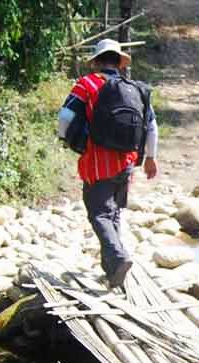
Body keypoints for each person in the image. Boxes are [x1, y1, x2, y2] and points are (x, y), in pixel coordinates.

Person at [56, 39, 159, 289]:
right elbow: (152, 126)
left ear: (97, 61)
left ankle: (119, 257)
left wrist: (62, 137)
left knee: (99, 212)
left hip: (97, 162)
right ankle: (113, 273)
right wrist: (151, 158)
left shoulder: (87, 83)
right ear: (118, 63)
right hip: (127, 162)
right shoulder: (135, 89)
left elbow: (65, 116)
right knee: (112, 212)